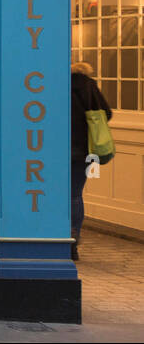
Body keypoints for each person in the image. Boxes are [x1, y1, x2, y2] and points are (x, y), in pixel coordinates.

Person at [70, 61, 113, 261]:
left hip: (57, 149)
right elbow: (107, 113)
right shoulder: (89, 85)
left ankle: (56, 238)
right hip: (85, 150)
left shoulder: (57, 86)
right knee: (75, 194)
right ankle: (73, 239)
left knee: (54, 194)